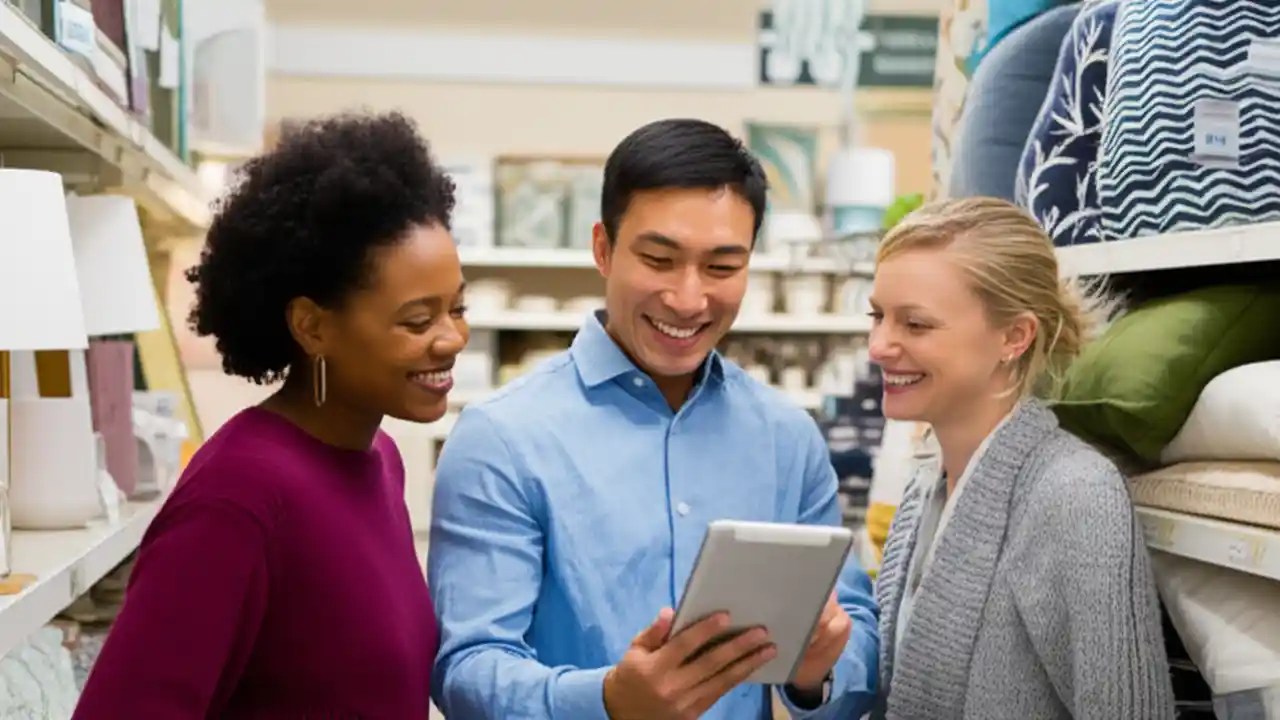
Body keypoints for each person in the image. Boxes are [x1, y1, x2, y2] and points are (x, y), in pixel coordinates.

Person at [428, 118, 879, 720]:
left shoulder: (785, 439)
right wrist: (608, 702)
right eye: (659, 259)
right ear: (603, 249)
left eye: (722, 268)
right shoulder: (504, 439)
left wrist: (817, 674)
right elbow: (467, 670)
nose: (688, 299)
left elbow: (857, 640)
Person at [73, 111, 467, 718]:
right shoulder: (240, 496)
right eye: (418, 320)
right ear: (312, 325)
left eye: (456, 309)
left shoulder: (378, 460)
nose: (450, 339)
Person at [868, 197, 1175, 719]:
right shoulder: (926, 482)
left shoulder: (1076, 495)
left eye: (915, 325)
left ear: (1014, 336)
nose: (878, 345)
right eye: (877, 317)